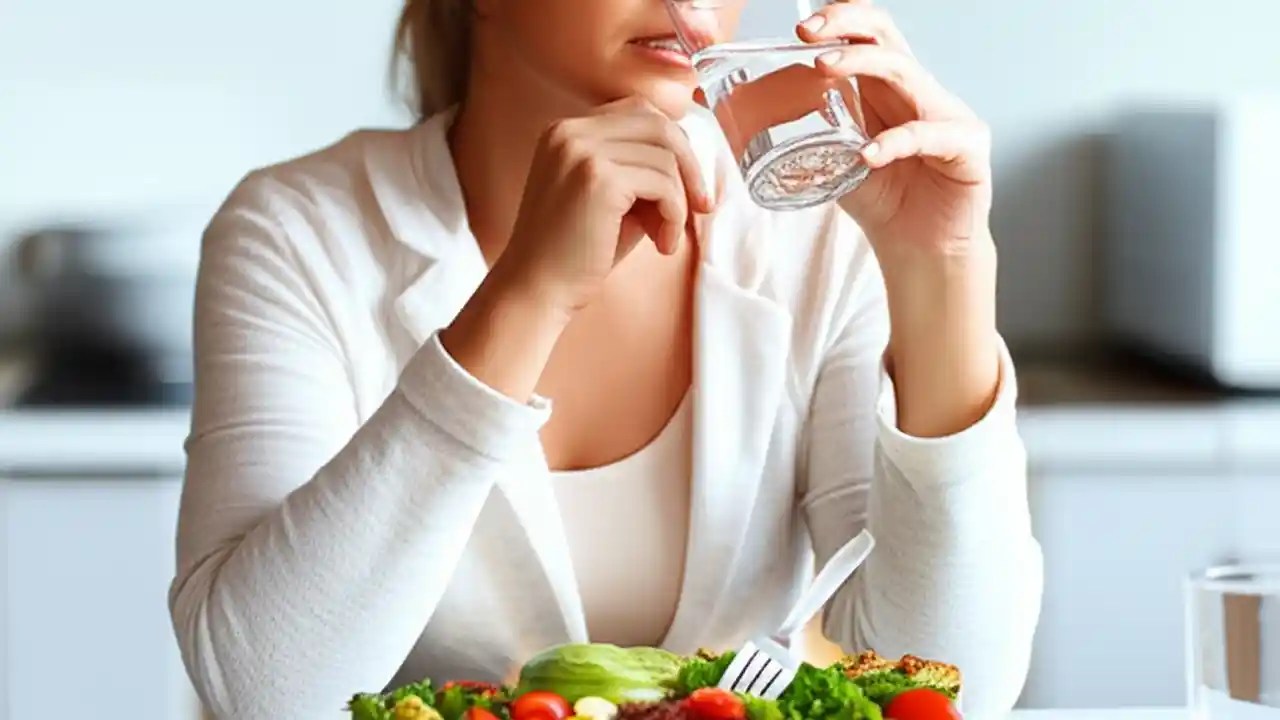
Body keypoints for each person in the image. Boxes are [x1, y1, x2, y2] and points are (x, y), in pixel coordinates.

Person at [168, 0, 1043, 717]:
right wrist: (524, 300)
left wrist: (944, 273)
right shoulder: (296, 231)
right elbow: (264, 693)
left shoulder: (819, 236)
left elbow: (949, 678)